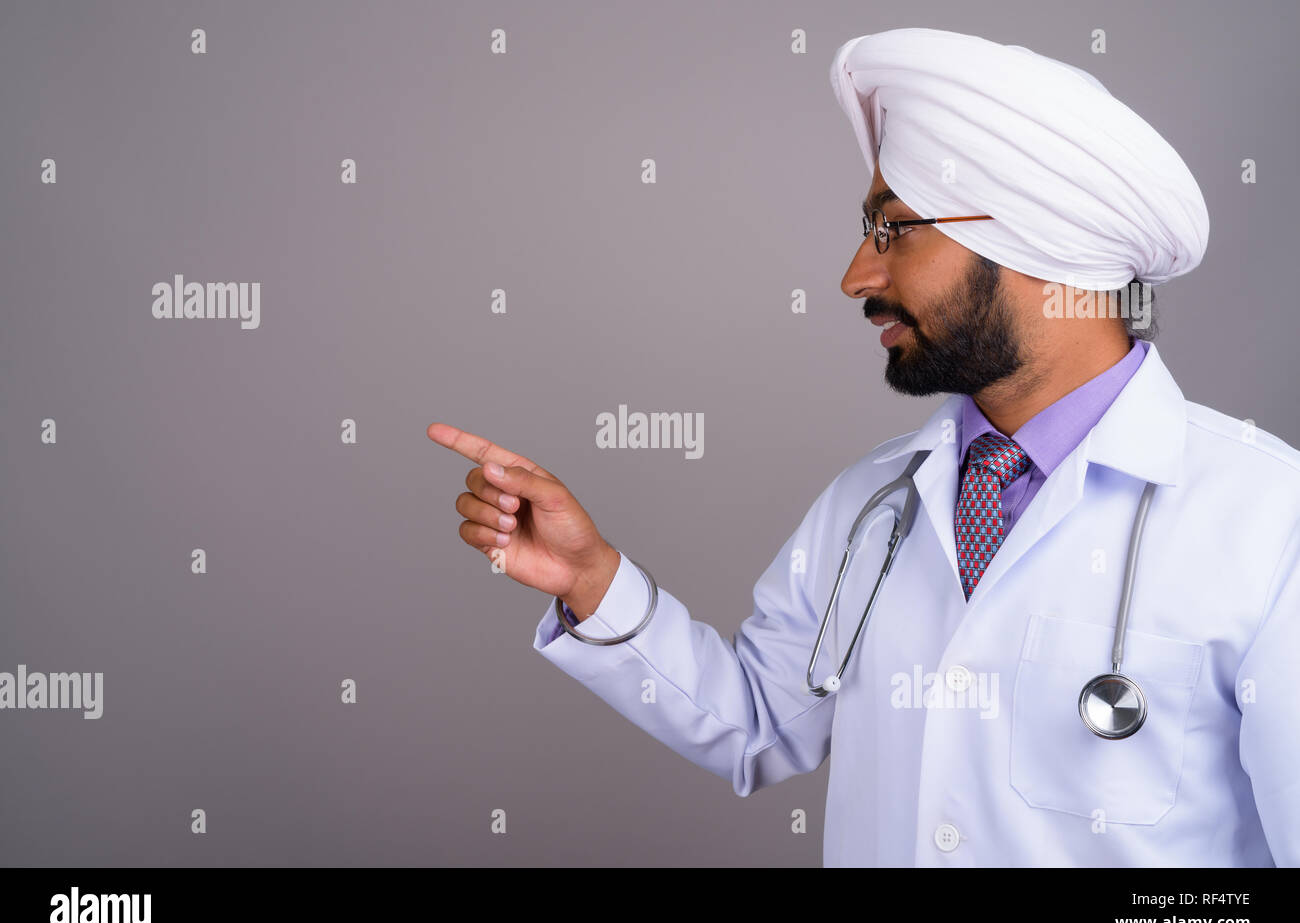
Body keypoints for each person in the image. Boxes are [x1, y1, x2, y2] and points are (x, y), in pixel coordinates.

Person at [428, 28, 1300, 866]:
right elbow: (762, 724)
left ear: (1040, 243)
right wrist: (591, 578)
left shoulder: (1271, 526)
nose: (857, 276)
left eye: (897, 229)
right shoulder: (872, 501)